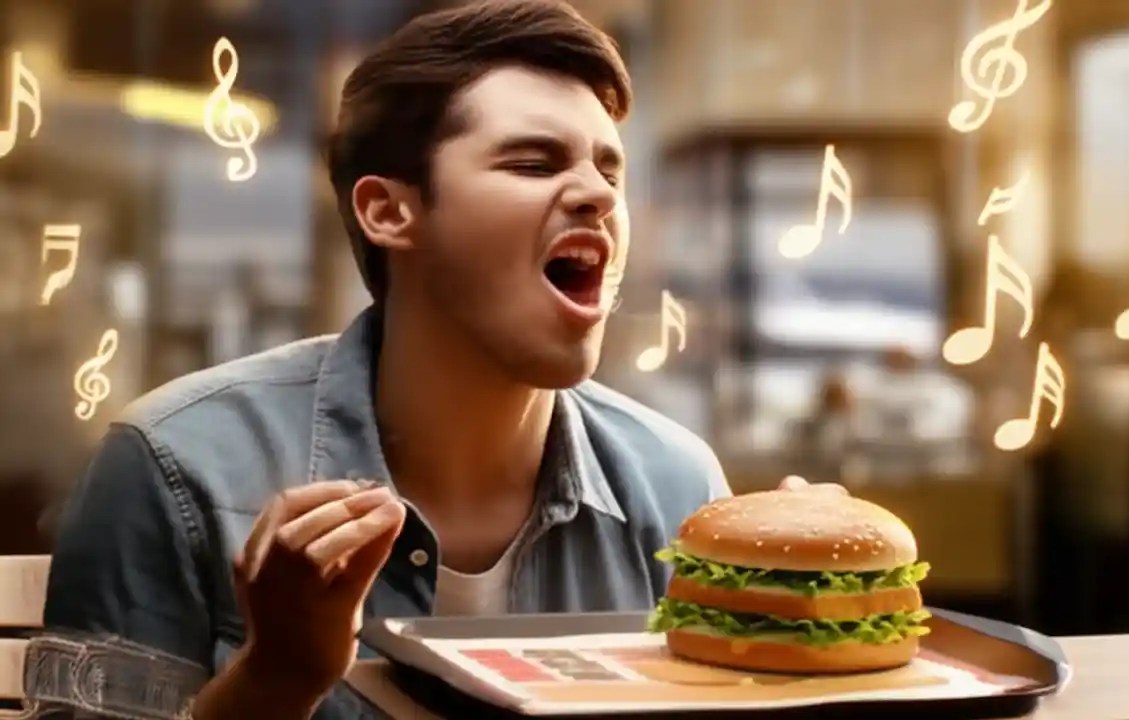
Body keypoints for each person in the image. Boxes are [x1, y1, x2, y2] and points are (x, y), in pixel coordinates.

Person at [34, 2, 816, 718]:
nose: (599, 196)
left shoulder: (676, 488)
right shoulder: (175, 470)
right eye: (534, 163)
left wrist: (801, 654)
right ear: (388, 211)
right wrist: (276, 677)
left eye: (610, 170)